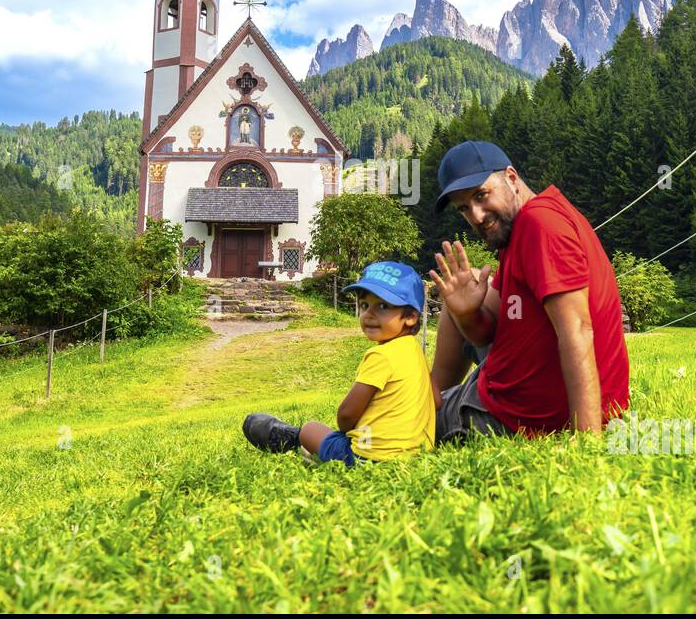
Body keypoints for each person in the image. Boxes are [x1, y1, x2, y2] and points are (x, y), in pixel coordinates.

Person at [427, 141, 629, 442]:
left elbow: (578, 329)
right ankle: (430, 398)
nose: (477, 216)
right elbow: (485, 330)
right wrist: (465, 312)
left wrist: (588, 441)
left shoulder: (540, 225)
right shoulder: (522, 225)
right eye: (464, 209)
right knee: (460, 292)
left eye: (481, 195)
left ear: (510, 177)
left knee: (394, 426)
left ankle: (420, 412)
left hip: (522, 415)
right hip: (543, 393)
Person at [242, 261, 435, 466]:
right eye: (364, 305)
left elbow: (346, 415)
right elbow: (436, 400)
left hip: (369, 458)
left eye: (383, 306)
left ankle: (293, 440)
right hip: (416, 456)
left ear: (411, 316)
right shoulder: (415, 351)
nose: (369, 314)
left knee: (311, 429)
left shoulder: (381, 356)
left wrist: (345, 433)